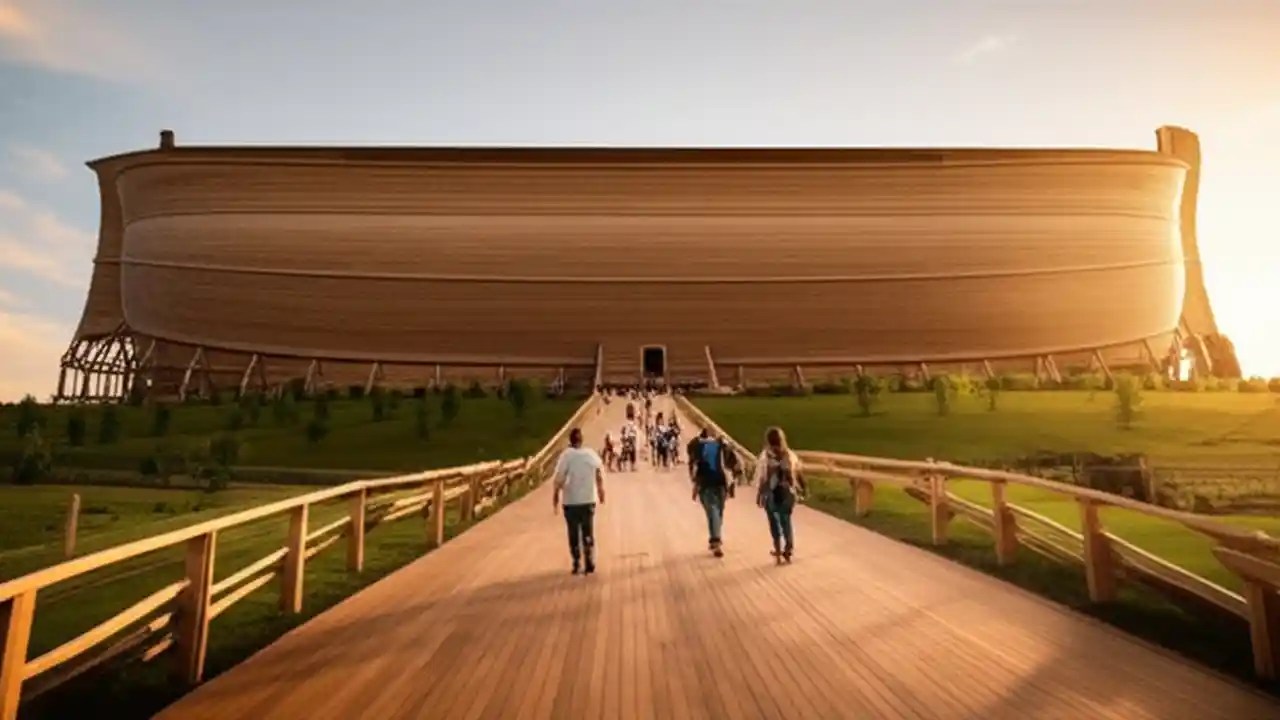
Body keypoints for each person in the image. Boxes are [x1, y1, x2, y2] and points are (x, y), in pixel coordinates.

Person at [552, 428, 606, 575]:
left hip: (571, 501)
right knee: (588, 530)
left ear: (570, 440)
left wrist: (556, 496)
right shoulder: (590, 454)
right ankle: (589, 560)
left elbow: (558, 478)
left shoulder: (566, 456)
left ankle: (576, 561)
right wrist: (601, 492)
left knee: (573, 532)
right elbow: (598, 473)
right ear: (581, 440)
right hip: (588, 499)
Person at [754, 426, 807, 563]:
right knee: (786, 521)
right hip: (787, 492)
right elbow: (798, 472)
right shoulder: (789, 454)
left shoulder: (765, 456)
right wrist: (804, 488)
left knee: (774, 522)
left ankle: (777, 550)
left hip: (770, 493)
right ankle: (788, 549)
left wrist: (759, 494)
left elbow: (762, 477)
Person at [689, 429, 731, 556]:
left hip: (706, 484)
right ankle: (716, 538)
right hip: (721, 483)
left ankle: (715, 539)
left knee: (712, 512)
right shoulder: (722, 445)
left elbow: (698, 470)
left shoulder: (700, 449)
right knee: (718, 511)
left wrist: (695, 488)